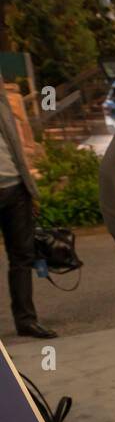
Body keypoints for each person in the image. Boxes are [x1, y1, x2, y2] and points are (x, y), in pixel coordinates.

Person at [0, 83, 54, 338]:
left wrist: (31, 191)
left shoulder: (2, 104)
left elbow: (17, 150)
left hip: (15, 188)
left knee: (22, 256)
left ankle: (26, 320)